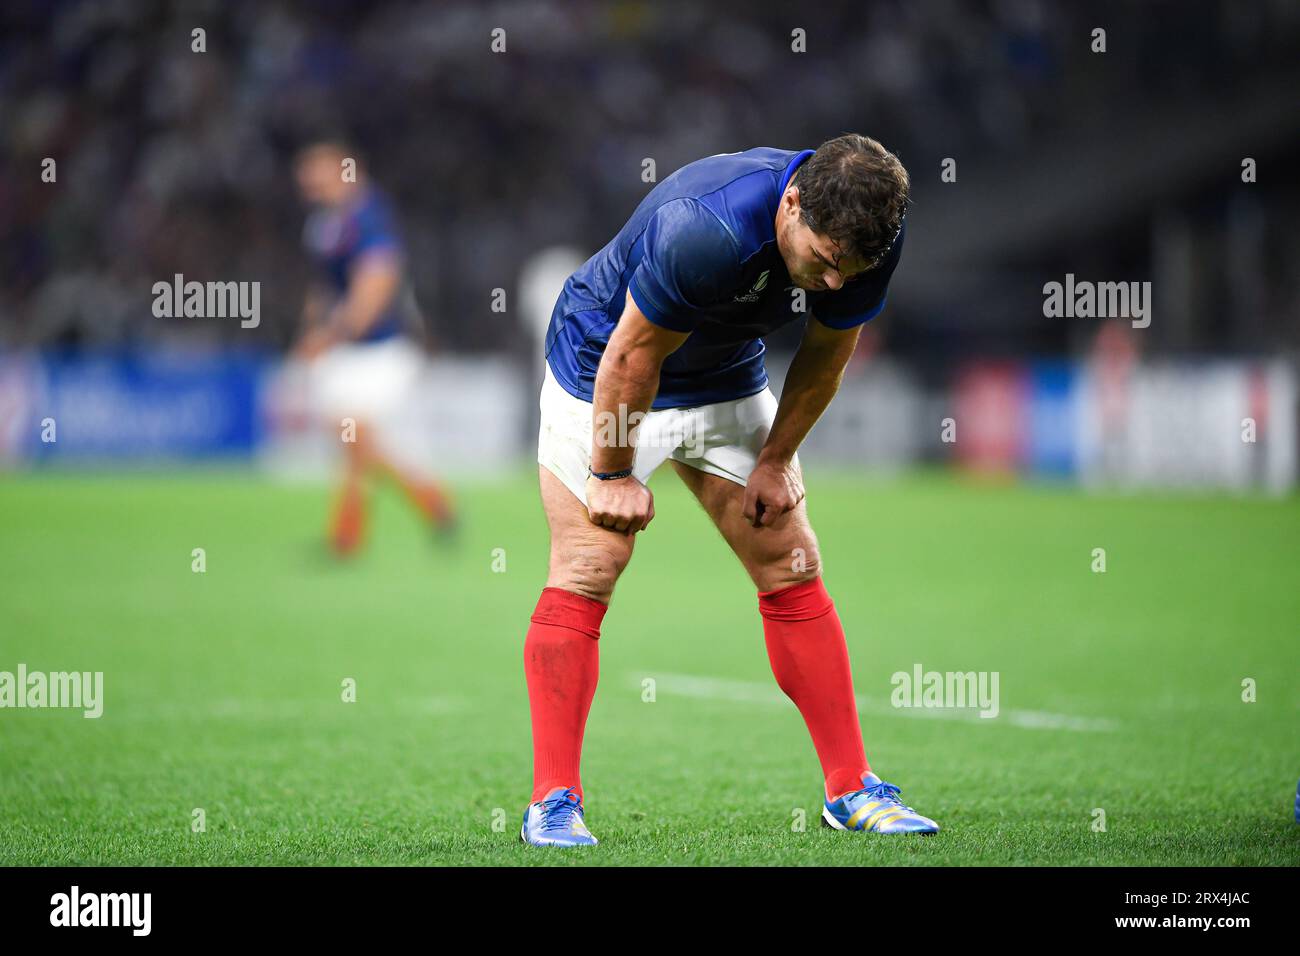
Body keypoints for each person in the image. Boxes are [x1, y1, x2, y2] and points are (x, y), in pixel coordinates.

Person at [522, 134, 939, 846]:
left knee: (791, 559)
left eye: (854, 269)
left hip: (723, 377)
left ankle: (851, 789)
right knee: (590, 565)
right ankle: (552, 800)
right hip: (605, 365)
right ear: (792, 202)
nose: (835, 284)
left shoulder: (870, 236)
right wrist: (615, 473)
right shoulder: (705, 227)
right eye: (827, 262)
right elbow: (632, 354)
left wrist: (777, 458)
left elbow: (828, 352)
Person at [291, 139, 456, 555]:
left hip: (382, 349)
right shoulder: (323, 223)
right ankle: (418, 511)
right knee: (352, 444)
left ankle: (422, 506)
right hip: (348, 351)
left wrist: (331, 334)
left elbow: (376, 283)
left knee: (356, 437)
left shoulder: (369, 216)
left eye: (318, 173)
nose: (309, 184)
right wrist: (310, 333)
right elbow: (323, 288)